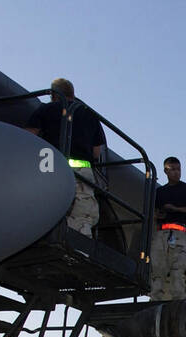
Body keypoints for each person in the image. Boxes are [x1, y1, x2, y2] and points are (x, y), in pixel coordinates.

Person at [25, 78, 106, 237]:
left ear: (53, 94)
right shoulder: (89, 114)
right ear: (73, 94)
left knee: (48, 203)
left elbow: (28, 136)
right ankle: (79, 245)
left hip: (51, 163)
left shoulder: (46, 109)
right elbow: (96, 152)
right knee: (82, 214)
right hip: (82, 170)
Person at [150, 156, 186, 300]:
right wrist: (159, 214)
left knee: (177, 269)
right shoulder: (160, 192)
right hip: (162, 232)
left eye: (178, 169)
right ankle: (155, 297)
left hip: (179, 232)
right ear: (166, 171)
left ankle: (178, 299)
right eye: (173, 170)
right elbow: (153, 213)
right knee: (157, 267)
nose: (176, 173)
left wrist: (176, 209)